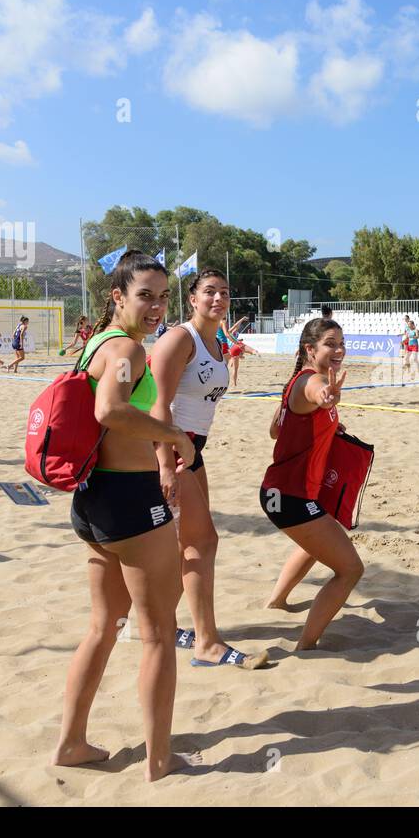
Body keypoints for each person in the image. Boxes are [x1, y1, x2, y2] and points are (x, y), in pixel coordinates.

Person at [54, 249, 200, 782]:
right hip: (130, 501)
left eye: (164, 296)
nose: (158, 305)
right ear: (118, 297)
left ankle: (71, 743)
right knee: (160, 633)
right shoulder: (126, 349)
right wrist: (174, 435)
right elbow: (109, 410)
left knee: (102, 628)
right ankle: (160, 761)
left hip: (93, 501)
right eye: (146, 295)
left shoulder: (97, 342)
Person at [150, 268, 267, 670]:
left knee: (188, 543)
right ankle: (206, 643)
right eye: (209, 292)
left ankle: (158, 622)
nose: (218, 298)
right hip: (170, 447)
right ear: (192, 300)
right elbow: (157, 403)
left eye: (224, 292)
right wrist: (166, 462)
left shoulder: (216, 342)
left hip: (193, 450)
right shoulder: (179, 339)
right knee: (201, 542)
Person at [260, 318, 364, 650]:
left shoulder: (295, 381)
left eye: (341, 343)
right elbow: (318, 393)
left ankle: (276, 601)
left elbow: (276, 430)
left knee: (317, 540)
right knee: (350, 570)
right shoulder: (313, 383)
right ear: (310, 349)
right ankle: (305, 645)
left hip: (282, 491)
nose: (339, 350)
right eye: (331, 343)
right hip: (291, 496)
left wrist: (328, 421)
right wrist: (326, 398)